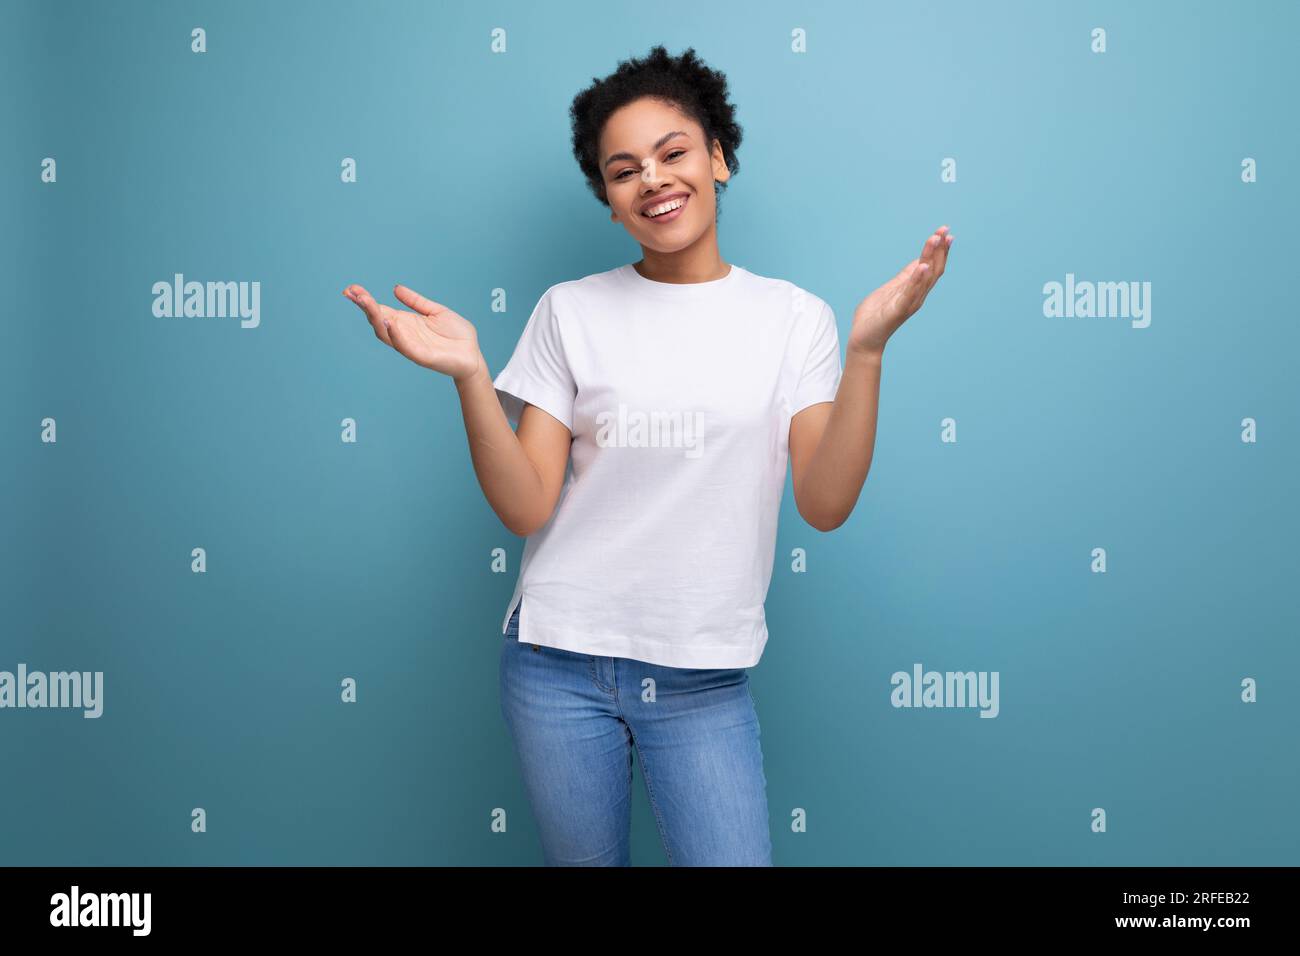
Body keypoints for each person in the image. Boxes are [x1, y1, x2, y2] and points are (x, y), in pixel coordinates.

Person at [342, 44, 952, 866]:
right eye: (623, 171)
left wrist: (869, 353)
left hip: (703, 674)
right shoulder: (570, 311)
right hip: (556, 659)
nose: (654, 180)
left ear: (718, 158)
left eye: (673, 153)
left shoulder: (792, 319)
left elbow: (824, 503)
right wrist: (470, 377)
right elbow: (525, 504)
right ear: (610, 202)